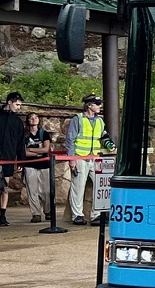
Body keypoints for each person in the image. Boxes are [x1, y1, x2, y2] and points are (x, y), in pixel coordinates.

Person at [0, 92, 28, 225]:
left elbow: (20, 142)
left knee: (5, 186)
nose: (18, 107)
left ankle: (3, 214)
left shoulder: (17, 122)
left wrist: (21, 160)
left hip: (9, 156)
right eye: (17, 104)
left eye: (20, 105)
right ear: (9, 102)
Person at [65, 94, 107, 225]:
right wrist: (72, 159)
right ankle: (77, 215)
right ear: (89, 105)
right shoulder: (77, 119)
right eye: (97, 104)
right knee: (78, 187)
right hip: (80, 157)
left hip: (95, 157)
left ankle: (97, 215)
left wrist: (109, 144)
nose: (100, 106)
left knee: (100, 185)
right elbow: (70, 140)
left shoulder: (100, 120)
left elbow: (103, 136)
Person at [20, 108, 55, 222]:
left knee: (46, 190)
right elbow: (23, 152)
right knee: (32, 190)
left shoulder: (43, 133)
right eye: (31, 117)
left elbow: (46, 149)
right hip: (30, 165)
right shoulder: (24, 135)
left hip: (44, 164)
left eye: (35, 117)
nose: (33, 119)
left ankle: (48, 210)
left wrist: (31, 150)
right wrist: (37, 150)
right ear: (28, 120)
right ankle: (36, 213)